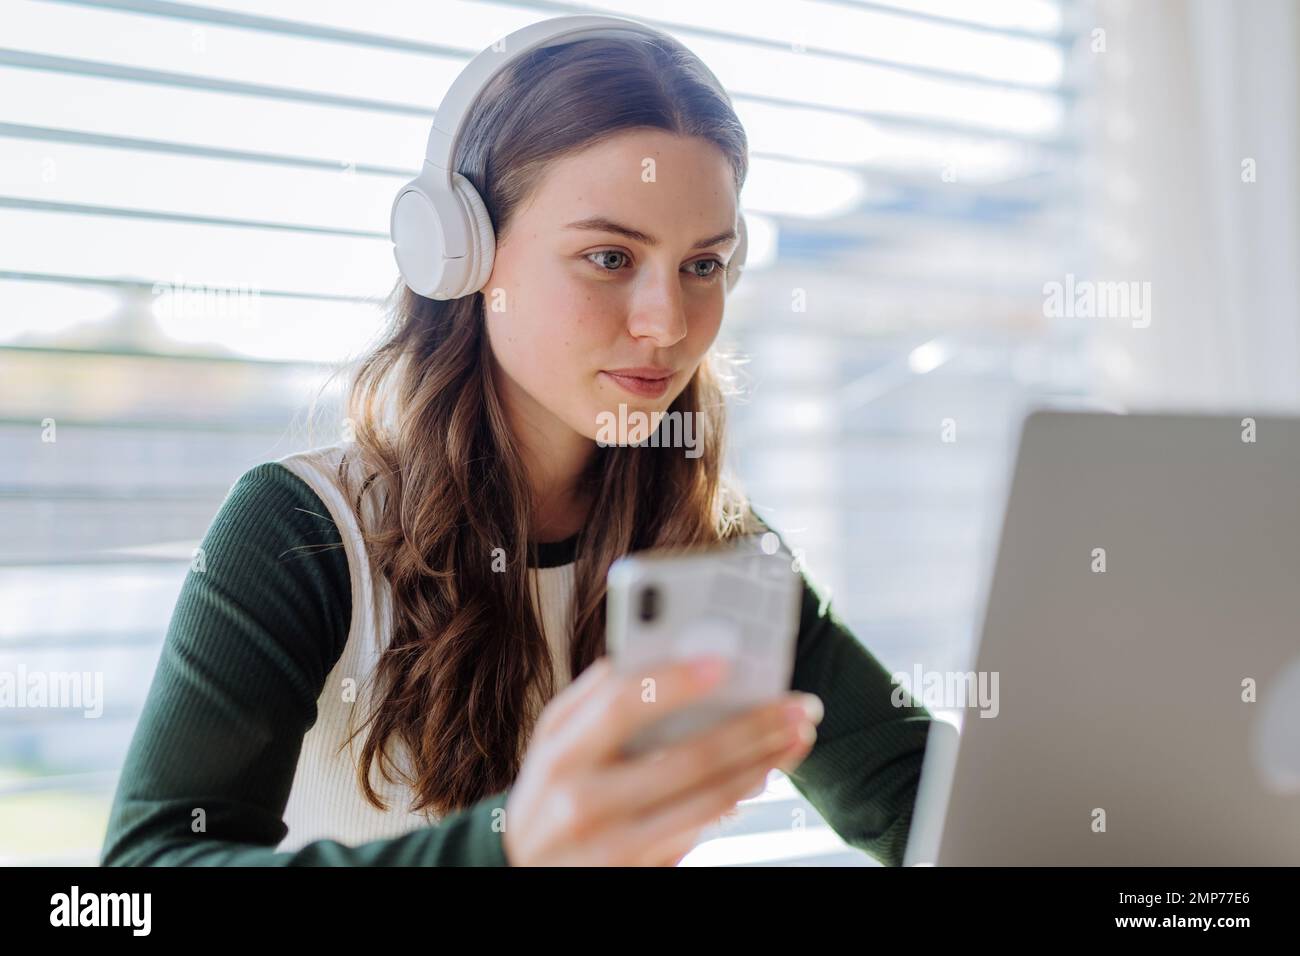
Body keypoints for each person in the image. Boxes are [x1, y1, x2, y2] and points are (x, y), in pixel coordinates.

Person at [100, 17, 932, 868]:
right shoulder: (306, 529)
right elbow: (138, 878)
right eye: (610, 258)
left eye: (704, 265)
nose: (668, 323)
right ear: (464, 256)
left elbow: (927, 809)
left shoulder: (712, 540)